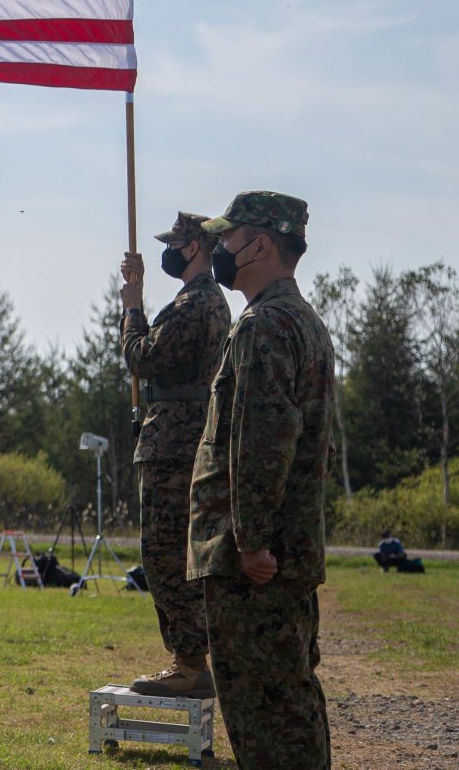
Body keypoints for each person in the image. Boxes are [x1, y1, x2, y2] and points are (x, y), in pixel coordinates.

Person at [188, 191, 335, 768]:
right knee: (289, 699)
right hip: (282, 553)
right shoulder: (302, 320)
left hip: (255, 564)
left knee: (266, 715)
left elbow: (261, 442)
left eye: (229, 238)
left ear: (261, 245)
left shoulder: (265, 325)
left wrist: (249, 540)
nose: (220, 249)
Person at [119, 211, 232, 698]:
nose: (169, 252)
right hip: (185, 437)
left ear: (197, 248)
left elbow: (143, 358)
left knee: (164, 555)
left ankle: (189, 662)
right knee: (177, 553)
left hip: (173, 445)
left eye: (175, 244)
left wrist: (132, 309)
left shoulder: (193, 304)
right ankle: (191, 657)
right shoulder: (211, 301)